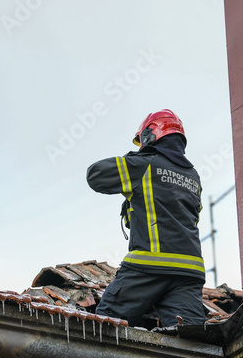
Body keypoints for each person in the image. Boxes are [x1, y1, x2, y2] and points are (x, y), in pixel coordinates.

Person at [86, 109, 207, 328]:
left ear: (150, 135)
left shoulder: (144, 164)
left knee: (104, 326)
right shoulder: (193, 176)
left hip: (148, 266)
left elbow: (95, 175)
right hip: (190, 272)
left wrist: (135, 161)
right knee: (192, 339)